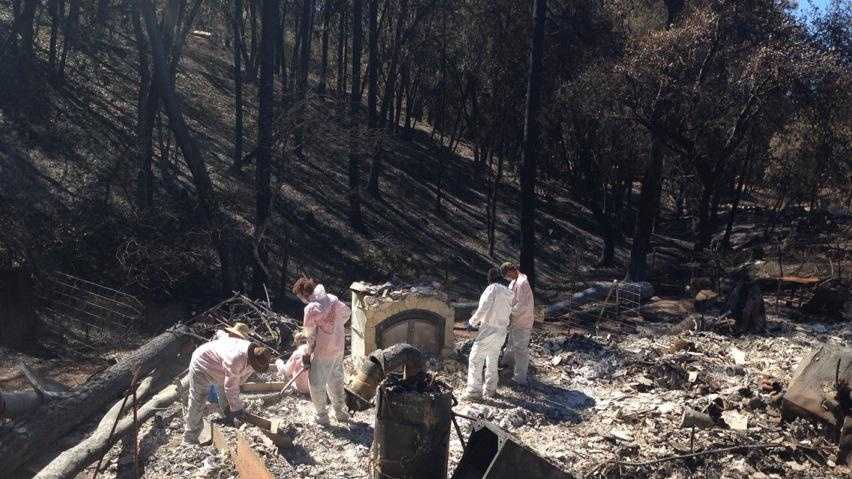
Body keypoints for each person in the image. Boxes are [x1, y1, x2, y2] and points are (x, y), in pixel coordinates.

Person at [183, 337, 273, 443]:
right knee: (198, 399)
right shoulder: (235, 359)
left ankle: (228, 418)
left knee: (227, 398)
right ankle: (189, 437)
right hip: (202, 364)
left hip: (219, 367)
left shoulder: (253, 355)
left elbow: (237, 380)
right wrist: (237, 410)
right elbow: (230, 386)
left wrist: (233, 408)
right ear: (251, 359)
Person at [292, 277, 352, 425]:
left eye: (300, 297)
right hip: (338, 346)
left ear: (304, 294)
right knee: (336, 380)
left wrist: (307, 353)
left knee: (316, 384)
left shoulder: (311, 309)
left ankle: (322, 416)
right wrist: (336, 326)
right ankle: (340, 412)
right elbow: (347, 313)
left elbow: (310, 335)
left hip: (323, 351)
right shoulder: (332, 299)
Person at [464, 268, 514, 401]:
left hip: (489, 329)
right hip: (502, 331)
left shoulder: (492, 289)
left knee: (475, 358)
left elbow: (484, 307)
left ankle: (474, 393)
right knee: (492, 359)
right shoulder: (509, 292)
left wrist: (472, 322)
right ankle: (491, 390)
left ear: (490, 279)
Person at [501, 262, 535, 385]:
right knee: (511, 343)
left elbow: (522, 305)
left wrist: (509, 312)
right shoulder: (513, 282)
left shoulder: (523, 283)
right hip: (515, 320)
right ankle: (507, 365)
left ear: (511, 271)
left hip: (523, 321)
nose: (507, 278)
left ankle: (520, 378)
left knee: (521, 349)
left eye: (506, 275)